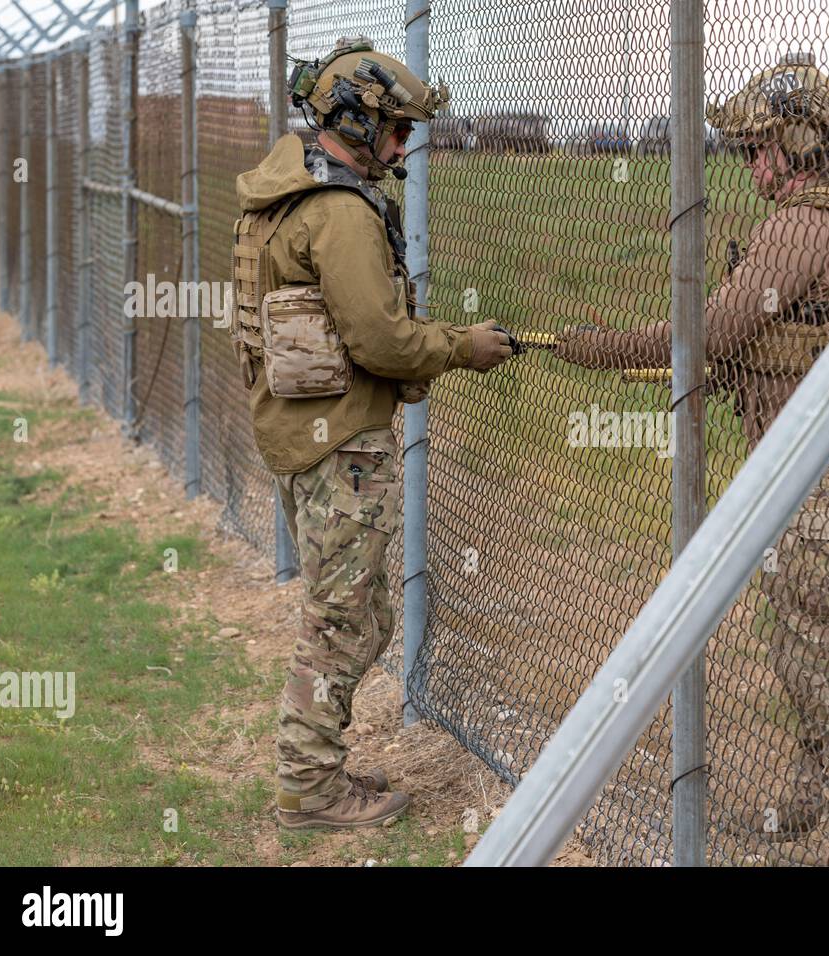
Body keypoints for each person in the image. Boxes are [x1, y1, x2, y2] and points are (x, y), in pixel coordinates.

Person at [555, 53, 829, 863]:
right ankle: (821, 788)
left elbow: (710, 331)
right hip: (826, 457)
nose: (750, 164)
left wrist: (602, 348)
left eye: (759, 148)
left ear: (797, 143)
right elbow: (787, 334)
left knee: (822, 640)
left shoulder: (802, 224)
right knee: (798, 634)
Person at [230, 35, 513, 830]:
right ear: (356, 123)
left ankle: (313, 770)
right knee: (343, 619)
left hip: (303, 438)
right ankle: (309, 788)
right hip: (339, 449)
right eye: (394, 132)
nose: (401, 149)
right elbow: (381, 341)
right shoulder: (338, 213)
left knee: (355, 614)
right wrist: (465, 345)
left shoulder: (276, 199)